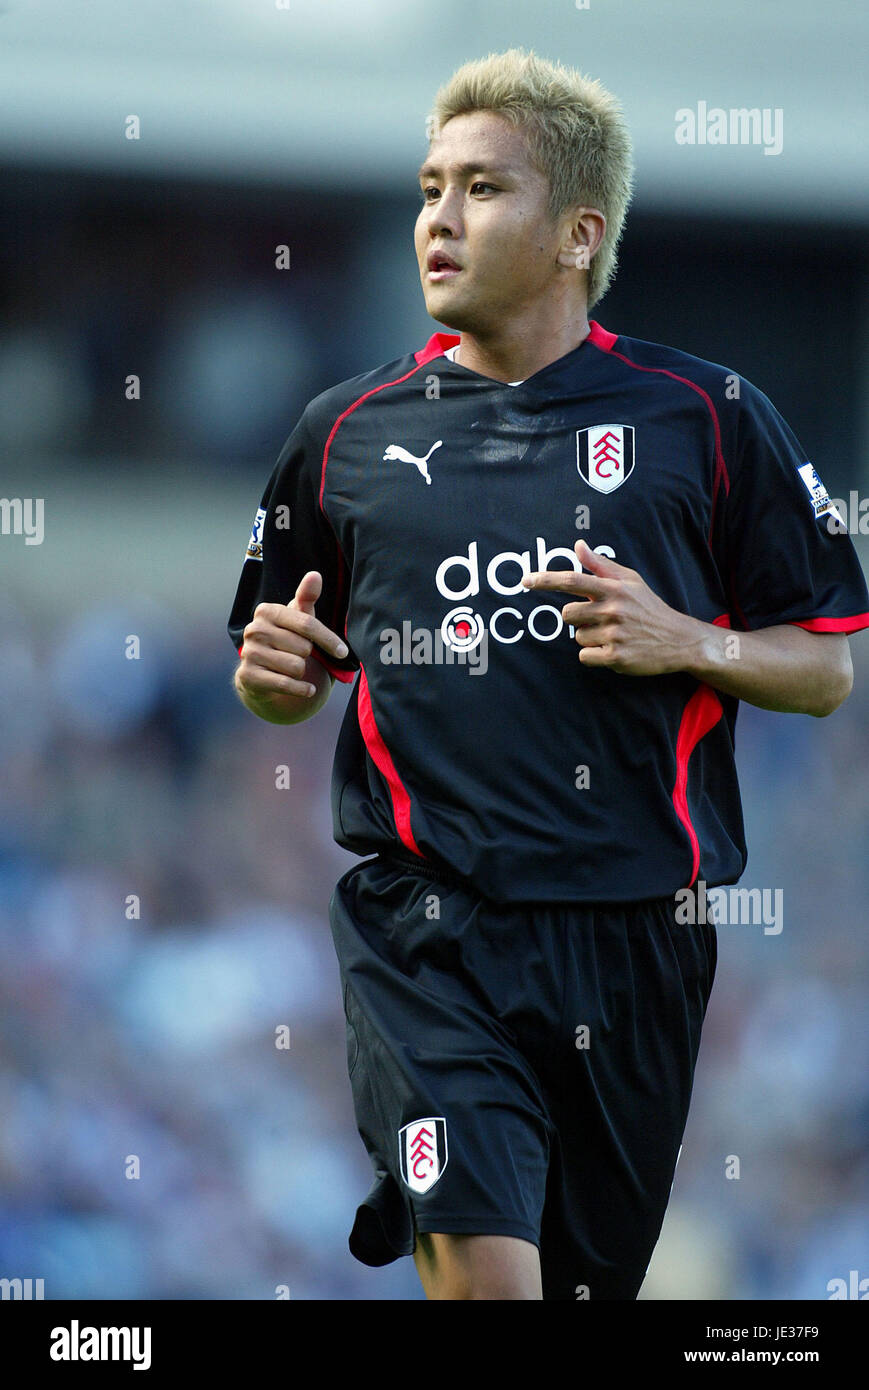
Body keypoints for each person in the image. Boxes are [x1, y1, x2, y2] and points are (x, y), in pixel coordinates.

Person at [227, 48, 869, 1300]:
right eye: (428, 186)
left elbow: (825, 669)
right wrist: (274, 677)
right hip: (427, 931)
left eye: (481, 188)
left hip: (638, 944)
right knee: (486, 1280)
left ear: (577, 233)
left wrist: (689, 640)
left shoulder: (708, 415)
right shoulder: (344, 435)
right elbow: (278, 675)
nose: (439, 219)